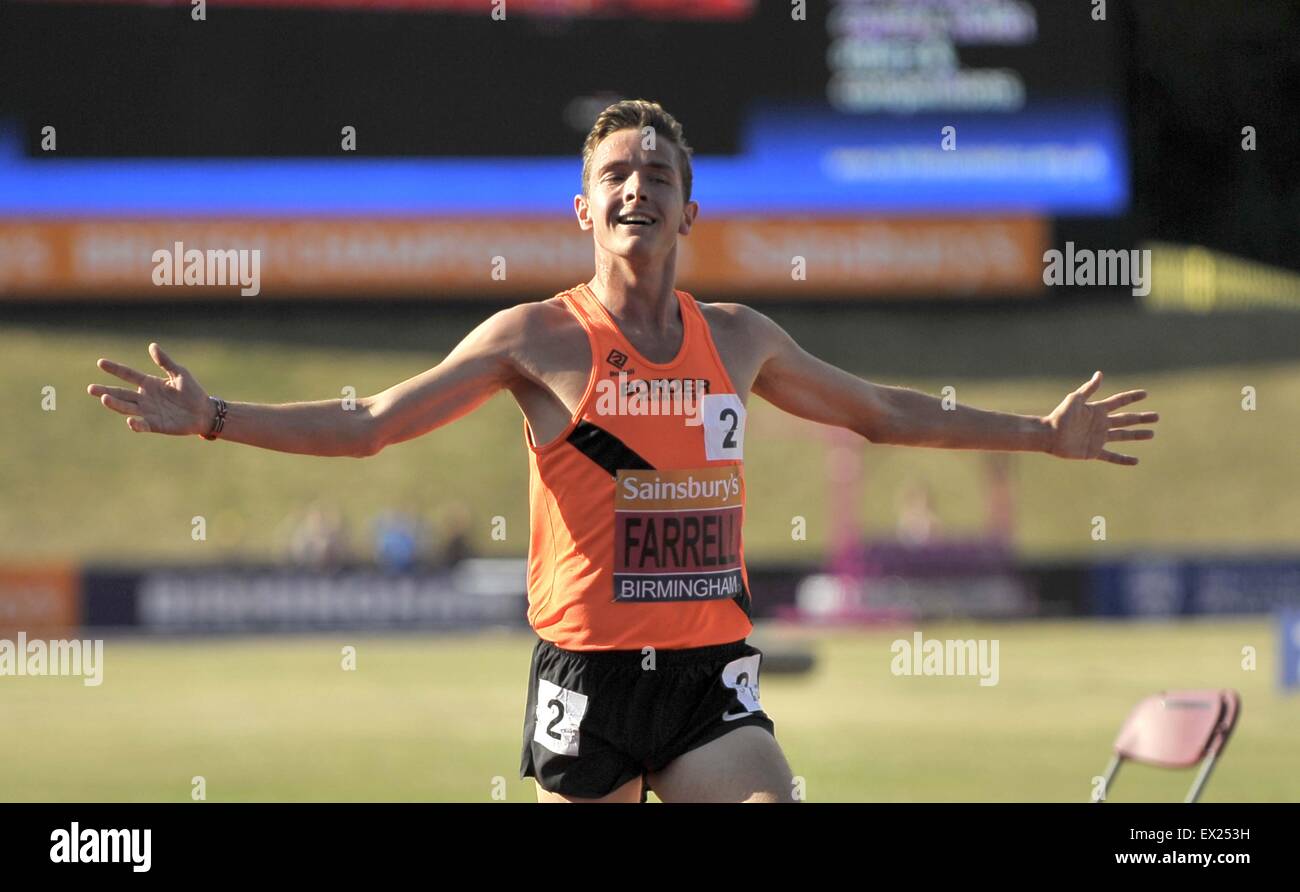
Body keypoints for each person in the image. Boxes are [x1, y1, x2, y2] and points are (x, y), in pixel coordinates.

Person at [87, 99, 1158, 803]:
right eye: (615, 172)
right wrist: (219, 414)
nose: (635, 185)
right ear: (584, 207)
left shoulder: (738, 338)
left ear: (692, 205)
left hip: (707, 679)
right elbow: (373, 425)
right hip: (587, 676)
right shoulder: (535, 337)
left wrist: (1042, 435)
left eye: (656, 171)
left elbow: (879, 410)